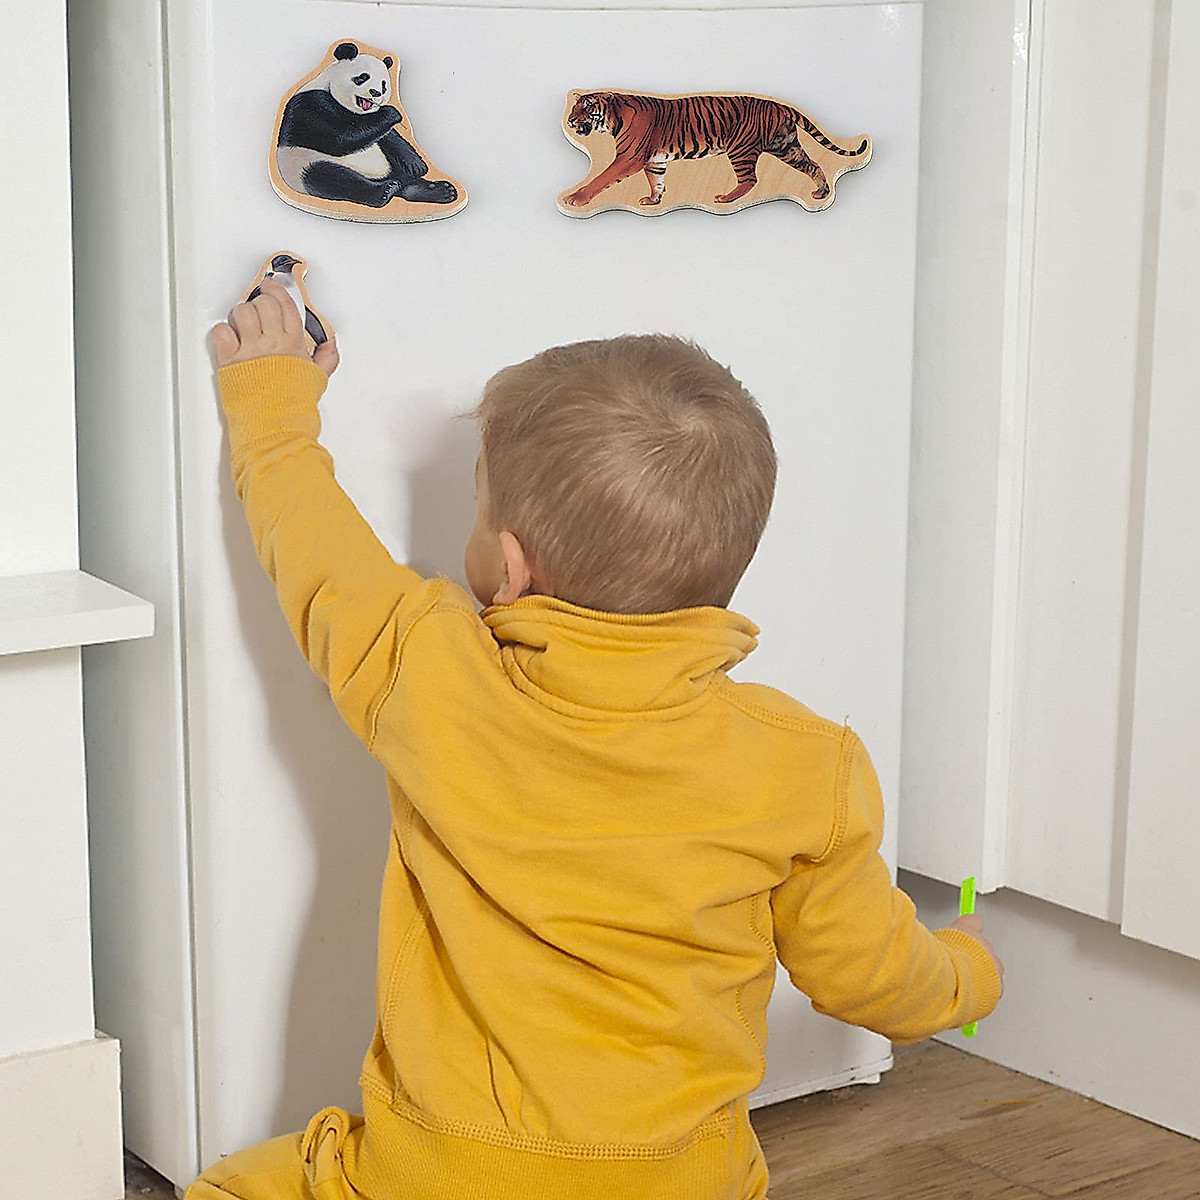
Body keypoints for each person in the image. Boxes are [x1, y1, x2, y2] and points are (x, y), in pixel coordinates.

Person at [190, 280, 1003, 1200]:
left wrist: (271, 400)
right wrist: (967, 970)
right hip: (685, 1179)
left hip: (450, 1172)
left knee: (236, 1184)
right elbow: (872, 975)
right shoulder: (804, 764)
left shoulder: (433, 671)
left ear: (510, 567)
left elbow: (316, 553)